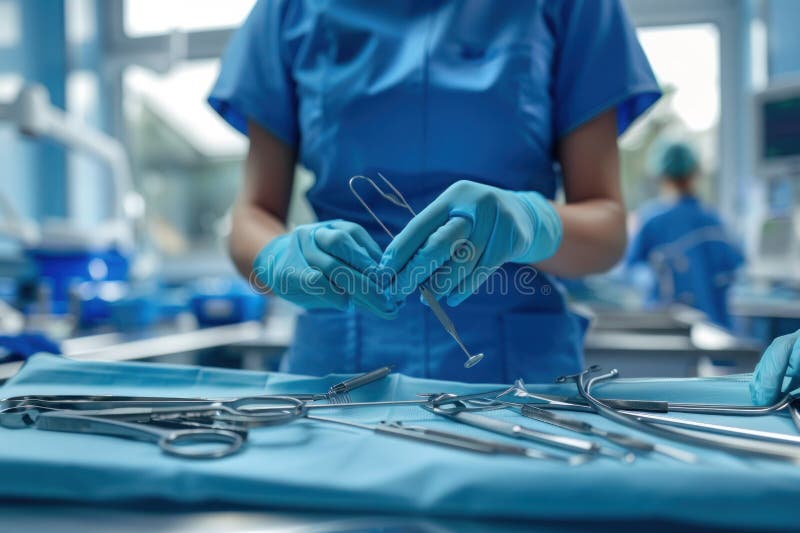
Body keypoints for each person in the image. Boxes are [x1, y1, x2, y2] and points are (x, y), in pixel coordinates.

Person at [208, 0, 660, 382]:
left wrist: (531, 222)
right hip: (336, 373)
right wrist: (278, 255)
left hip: (519, 384)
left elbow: (608, 231)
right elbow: (250, 215)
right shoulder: (289, 10)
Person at [625, 141, 744, 329]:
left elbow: (632, 270)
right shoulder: (714, 221)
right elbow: (736, 268)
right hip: (716, 328)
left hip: (667, 328)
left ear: (660, 175)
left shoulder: (652, 221)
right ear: (695, 172)